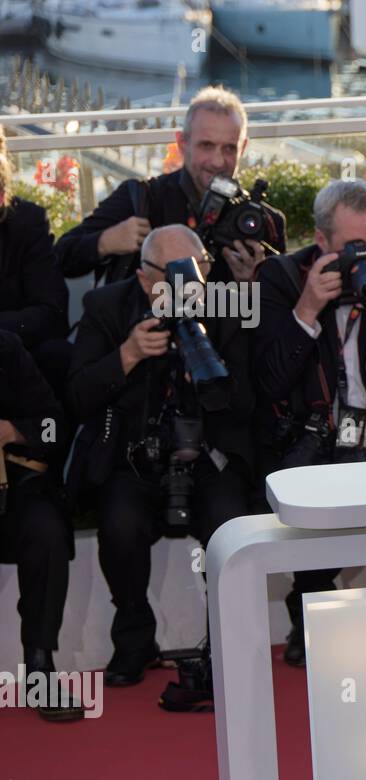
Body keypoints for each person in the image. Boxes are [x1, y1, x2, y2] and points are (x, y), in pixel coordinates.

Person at [65, 225, 254, 687]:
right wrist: (126, 357)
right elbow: (74, 397)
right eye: (175, 277)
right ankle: (133, 636)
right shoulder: (106, 307)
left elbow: (252, 402)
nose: (190, 286)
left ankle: (225, 644)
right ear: (146, 278)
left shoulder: (226, 305)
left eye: (199, 271)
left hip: (207, 458)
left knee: (232, 528)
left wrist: (213, 376)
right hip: (135, 457)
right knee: (120, 525)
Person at [255, 179, 366, 667]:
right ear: (321, 242)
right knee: (312, 510)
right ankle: (308, 621)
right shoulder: (280, 277)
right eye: (351, 248)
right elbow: (268, 382)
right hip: (316, 436)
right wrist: (307, 310)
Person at [54, 86, 286, 286]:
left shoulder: (261, 223)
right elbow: (60, 257)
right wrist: (106, 242)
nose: (218, 162)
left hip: (226, 332)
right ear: (182, 144)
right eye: (206, 145)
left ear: (242, 148)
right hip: (144, 335)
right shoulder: (141, 200)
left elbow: (276, 322)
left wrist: (255, 284)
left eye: (229, 148)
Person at [0, 330, 81, 720]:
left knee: (47, 533)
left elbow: (53, 426)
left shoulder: (7, 349)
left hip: (12, 487)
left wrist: (12, 431)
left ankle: (39, 665)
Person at [0, 129, 71, 393]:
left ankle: (44, 434)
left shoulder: (25, 223)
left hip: (12, 362)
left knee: (57, 355)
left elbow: (53, 314)